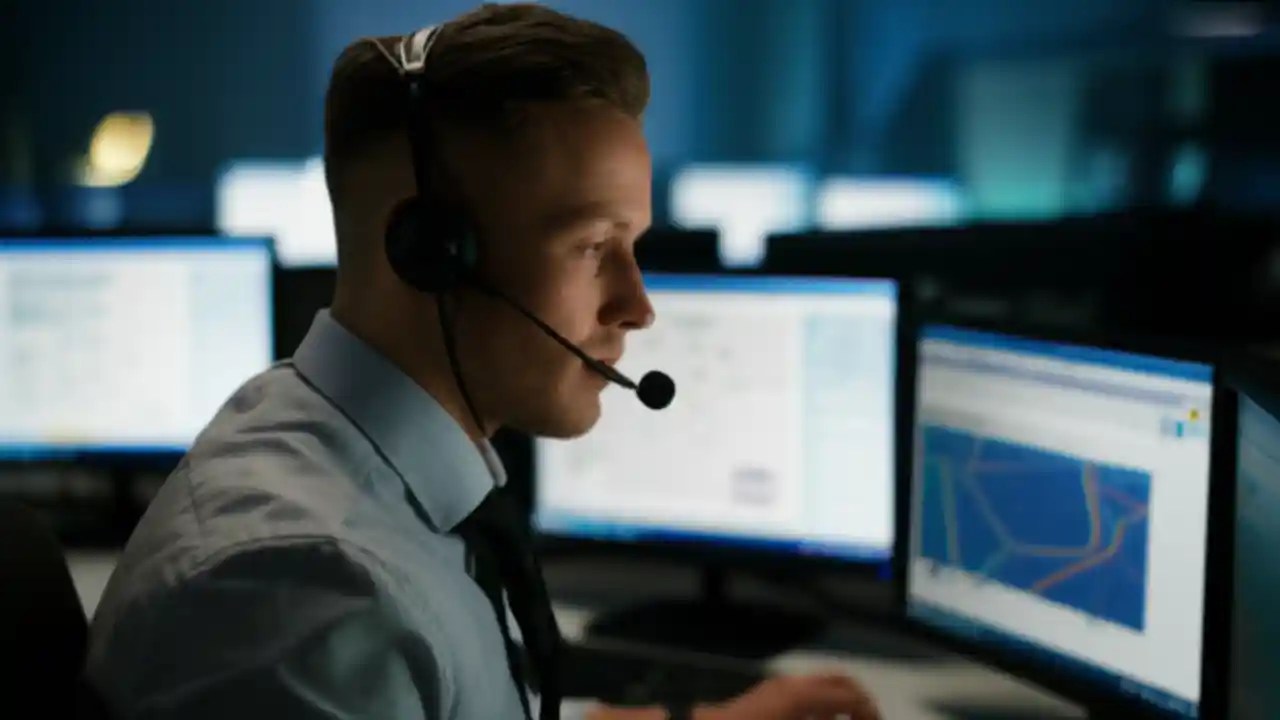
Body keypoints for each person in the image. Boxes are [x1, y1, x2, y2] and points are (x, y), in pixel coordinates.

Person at [84, 4, 880, 720]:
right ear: (429, 253)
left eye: (632, 247)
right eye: (594, 247)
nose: (637, 306)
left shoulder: (359, 464)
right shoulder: (313, 604)